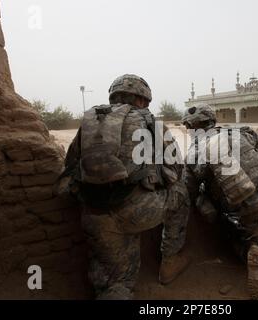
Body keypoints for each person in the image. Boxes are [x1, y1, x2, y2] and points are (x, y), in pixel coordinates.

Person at [62, 74, 190, 299]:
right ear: (142, 99)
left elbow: (70, 166)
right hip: (139, 212)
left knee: (116, 282)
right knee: (181, 192)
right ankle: (170, 260)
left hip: (94, 214)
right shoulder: (151, 122)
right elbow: (176, 169)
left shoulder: (92, 121)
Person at [182, 103, 258, 300]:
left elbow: (190, 190)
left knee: (232, 230)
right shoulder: (241, 132)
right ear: (212, 120)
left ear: (192, 129)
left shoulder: (193, 153)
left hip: (243, 214)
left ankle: (250, 248)